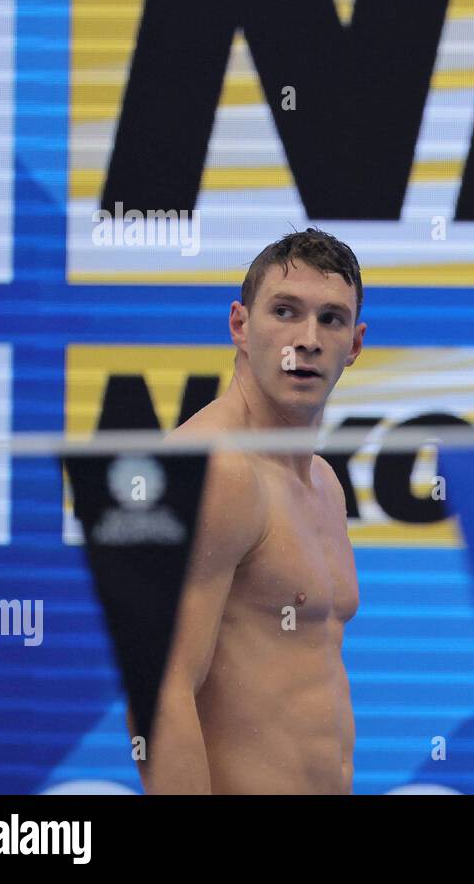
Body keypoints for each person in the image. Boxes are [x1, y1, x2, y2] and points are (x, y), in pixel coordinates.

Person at [136, 228, 366, 793]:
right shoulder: (212, 469)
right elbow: (160, 691)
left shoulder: (323, 483)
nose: (307, 339)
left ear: (355, 345)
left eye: (331, 319)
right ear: (240, 324)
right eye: (285, 312)